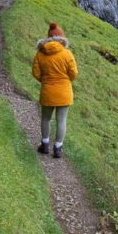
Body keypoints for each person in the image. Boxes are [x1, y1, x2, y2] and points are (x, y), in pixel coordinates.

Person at [31, 22, 77, 159]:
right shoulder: (67, 54)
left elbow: (35, 72)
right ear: (61, 38)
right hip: (64, 92)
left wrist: (45, 81)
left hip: (47, 91)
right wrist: (65, 80)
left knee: (45, 118)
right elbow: (73, 73)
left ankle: (44, 145)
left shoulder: (41, 53)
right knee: (61, 120)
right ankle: (58, 148)